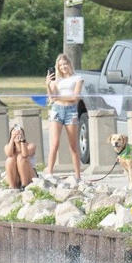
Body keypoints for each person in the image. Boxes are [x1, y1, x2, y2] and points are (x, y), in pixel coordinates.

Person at [44, 54, 84, 184]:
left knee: (73, 145)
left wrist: (58, 97)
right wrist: (48, 85)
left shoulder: (77, 78)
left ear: (69, 64)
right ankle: (49, 173)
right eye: (60, 65)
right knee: (54, 144)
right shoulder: (57, 80)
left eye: (65, 64)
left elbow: (75, 97)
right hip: (57, 110)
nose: (63, 67)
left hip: (71, 111)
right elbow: (51, 97)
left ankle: (78, 176)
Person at [4, 124, 36, 189]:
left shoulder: (30, 145)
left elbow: (24, 154)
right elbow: (9, 154)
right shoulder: (7, 146)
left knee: (21, 158)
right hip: (16, 177)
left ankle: (24, 186)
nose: (17, 135)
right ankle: (12, 187)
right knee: (10, 159)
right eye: (14, 134)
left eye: (19, 134)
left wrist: (22, 141)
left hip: (29, 176)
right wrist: (12, 138)